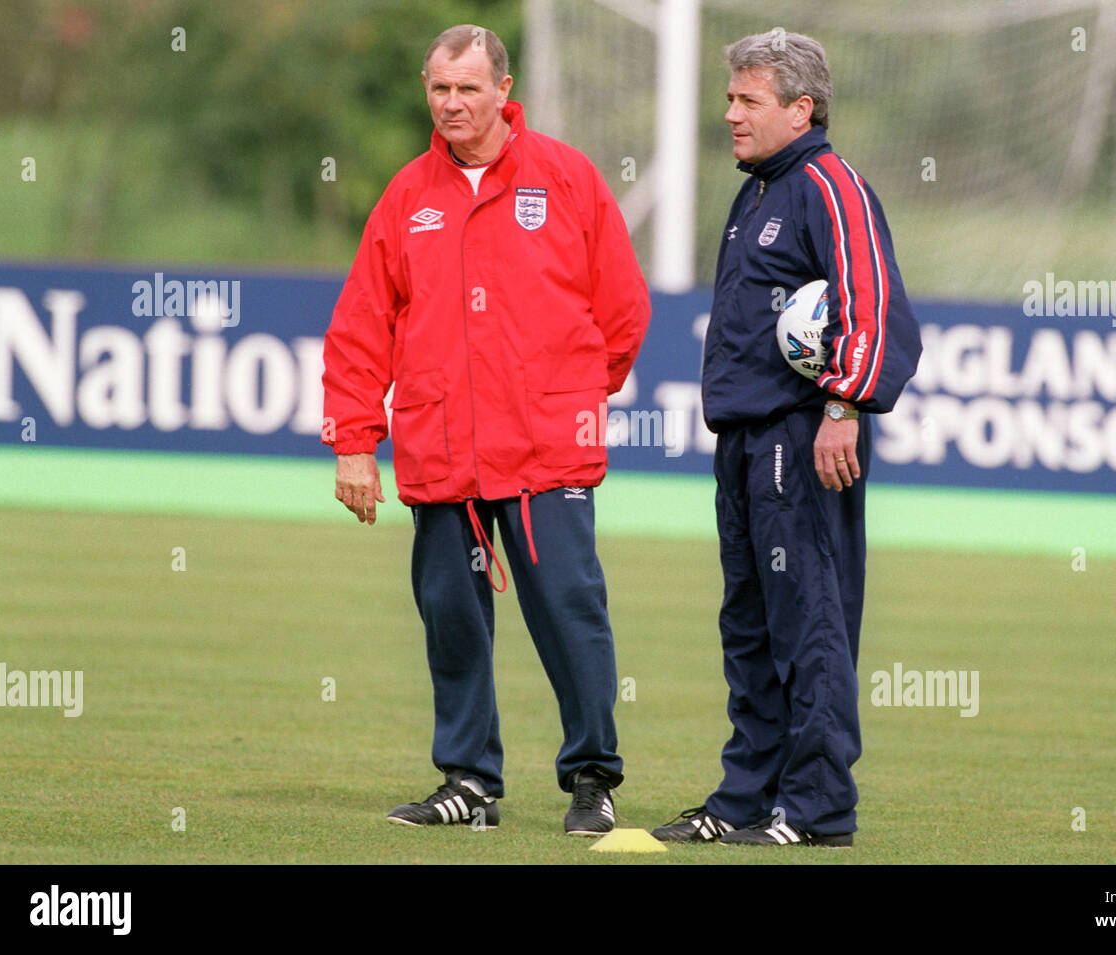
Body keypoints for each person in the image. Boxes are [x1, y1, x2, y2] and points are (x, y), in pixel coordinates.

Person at [322, 24, 650, 836]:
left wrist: (562, 393)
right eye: (440, 89)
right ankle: (469, 781)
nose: (453, 104)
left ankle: (592, 781)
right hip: (442, 451)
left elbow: (623, 312)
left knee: (572, 613)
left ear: (504, 90)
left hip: (545, 453)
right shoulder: (407, 196)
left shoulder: (567, 179)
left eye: (469, 88)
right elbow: (362, 328)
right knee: (452, 622)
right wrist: (355, 442)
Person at [652, 30, 921, 847]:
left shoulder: (830, 187)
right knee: (750, 626)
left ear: (801, 109)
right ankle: (744, 799)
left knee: (809, 622)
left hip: (800, 438)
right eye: (730, 98)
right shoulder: (759, 191)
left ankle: (815, 809)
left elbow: (876, 308)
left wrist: (843, 408)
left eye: (748, 101)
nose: (729, 114)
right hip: (743, 440)